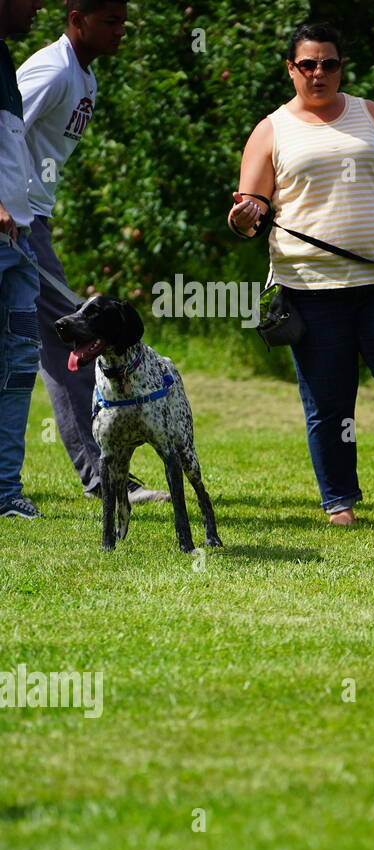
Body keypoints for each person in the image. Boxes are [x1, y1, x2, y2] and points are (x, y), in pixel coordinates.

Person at [228, 22, 374, 528]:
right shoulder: (271, 129)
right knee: (329, 402)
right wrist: (244, 215)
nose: (319, 73)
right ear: (291, 69)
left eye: (329, 63)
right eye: (308, 64)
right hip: (309, 289)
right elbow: (250, 203)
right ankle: (339, 502)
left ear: (341, 67)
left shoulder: (370, 114)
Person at [19, 0, 166, 504]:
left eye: (125, 22)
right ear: (77, 19)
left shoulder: (86, 78)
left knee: (30, 344)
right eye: (111, 22)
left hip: (32, 218)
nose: (121, 32)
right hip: (18, 222)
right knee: (72, 337)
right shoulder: (53, 70)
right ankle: (103, 476)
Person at [0, 0, 44, 518]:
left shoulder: (5, 58)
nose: (37, 7)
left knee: (16, 367)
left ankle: (5, 491)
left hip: (19, 237)